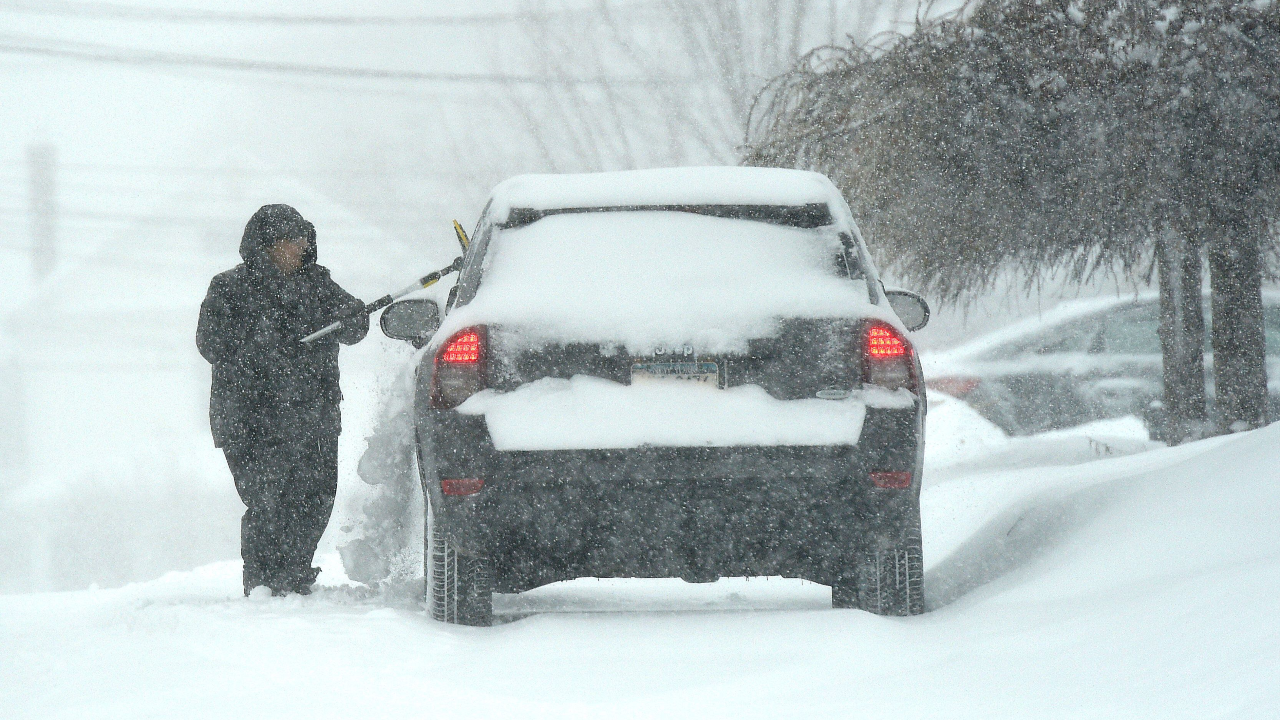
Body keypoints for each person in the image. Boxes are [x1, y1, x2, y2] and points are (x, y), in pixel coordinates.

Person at [196, 204, 368, 596]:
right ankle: (263, 581)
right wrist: (261, 346)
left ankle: (294, 571)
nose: (298, 248)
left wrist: (354, 316)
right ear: (265, 246)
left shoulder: (319, 285)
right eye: (288, 242)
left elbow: (354, 329)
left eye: (302, 240)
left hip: (314, 414)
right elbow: (210, 342)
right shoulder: (229, 288)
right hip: (251, 419)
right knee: (268, 501)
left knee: (316, 497)